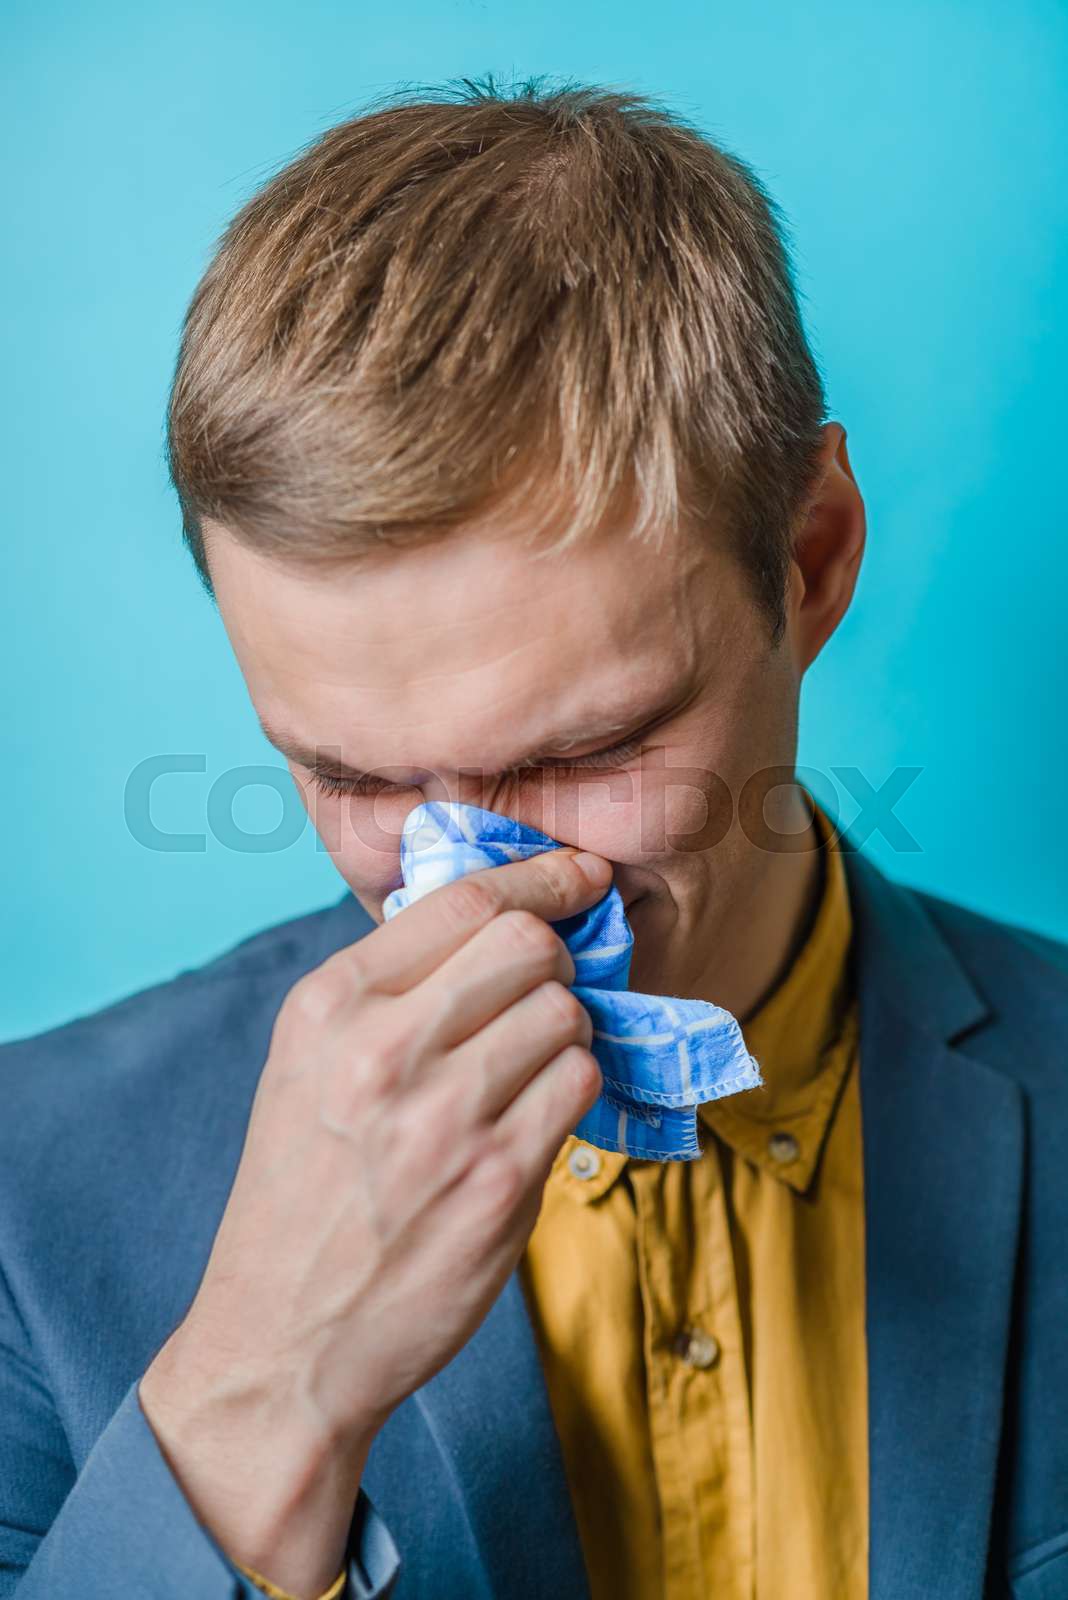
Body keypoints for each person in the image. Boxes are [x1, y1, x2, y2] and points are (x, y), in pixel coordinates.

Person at [1, 76, 1065, 1600]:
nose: (473, 871)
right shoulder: (24, 1202)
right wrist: (261, 1390)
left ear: (812, 558)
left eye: (584, 751)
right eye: (351, 776)